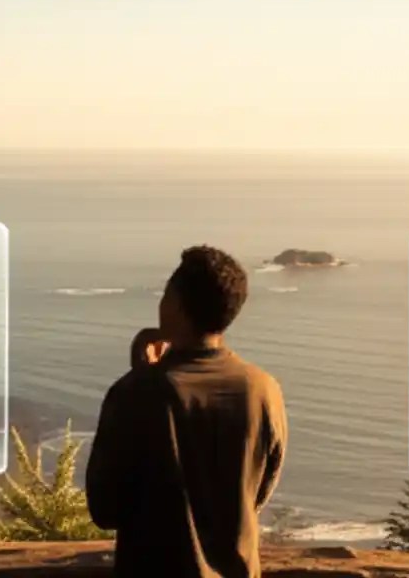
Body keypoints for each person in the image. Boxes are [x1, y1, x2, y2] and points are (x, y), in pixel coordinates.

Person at [86, 245, 289, 578]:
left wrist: (142, 378)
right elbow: (255, 496)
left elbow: (105, 509)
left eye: (166, 294)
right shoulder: (264, 390)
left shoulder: (136, 393)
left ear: (176, 306)